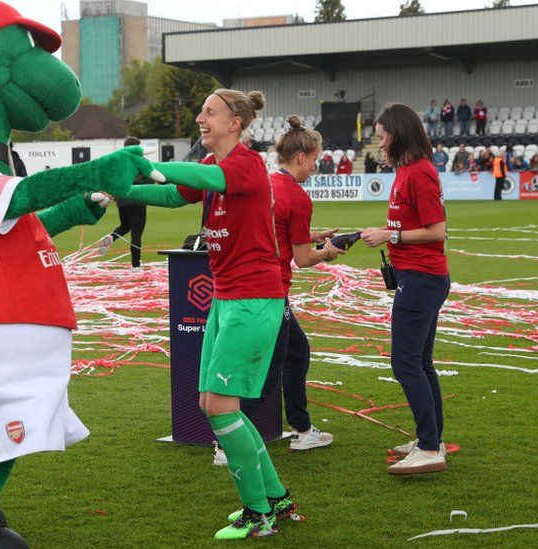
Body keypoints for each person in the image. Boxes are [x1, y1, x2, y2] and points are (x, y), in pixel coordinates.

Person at [120, 88, 297, 539]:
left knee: (220, 407)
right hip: (227, 299)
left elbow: (196, 182)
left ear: (235, 122)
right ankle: (275, 498)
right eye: (201, 110)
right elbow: (174, 196)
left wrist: (148, 166)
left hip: (253, 300)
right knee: (210, 404)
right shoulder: (210, 168)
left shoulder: (247, 164)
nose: (201, 117)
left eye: (210, 111)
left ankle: (259, 513)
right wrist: (116, 188)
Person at [232, 115, 343, 458]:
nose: (314, 167)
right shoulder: (297, 196)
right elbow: (303, 258)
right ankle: (227, 441)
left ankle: (302, 427)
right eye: (313, 160)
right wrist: (328, 251)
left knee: (297, 352)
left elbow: (278, 232)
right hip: (272, 289)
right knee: (270, 370)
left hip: (251, 285)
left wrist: (310, 236)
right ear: (300, 157)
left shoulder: (267, 184)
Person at [361, 102, 449, 475]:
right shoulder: (407, 171)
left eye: (383, 138)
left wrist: (389, 234)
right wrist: (385, 235)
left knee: (406, 363)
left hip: (423, 277)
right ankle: (430, 438)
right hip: (416, 276)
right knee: (420, 363)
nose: (380, 145)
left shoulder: (419, 173)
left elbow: (437, 231)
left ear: (398, 134)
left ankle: (429, 448)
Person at [98, 136, 149, 269]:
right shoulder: (142, 162)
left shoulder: (119, 163)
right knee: (136, 234)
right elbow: (151, 181)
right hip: (137, 201)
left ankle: (111, 238)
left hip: (122, 202)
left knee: (125, 226)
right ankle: (136, 266)